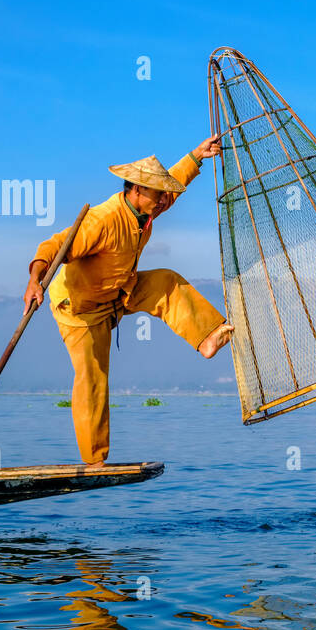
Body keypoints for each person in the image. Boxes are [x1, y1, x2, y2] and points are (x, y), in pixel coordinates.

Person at [24, 137, 235, 466]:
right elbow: (54, 246)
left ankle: (208, 336)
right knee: (92, 378)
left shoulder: (148, 208)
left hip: (119, 291)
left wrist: (197, 156)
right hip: (80, 309)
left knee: (165, 280)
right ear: (136, 191)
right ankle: (94, 462)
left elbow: (174, 184)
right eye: (156, 194)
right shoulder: (102, 221)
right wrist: (34, 280)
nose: (163, 200)